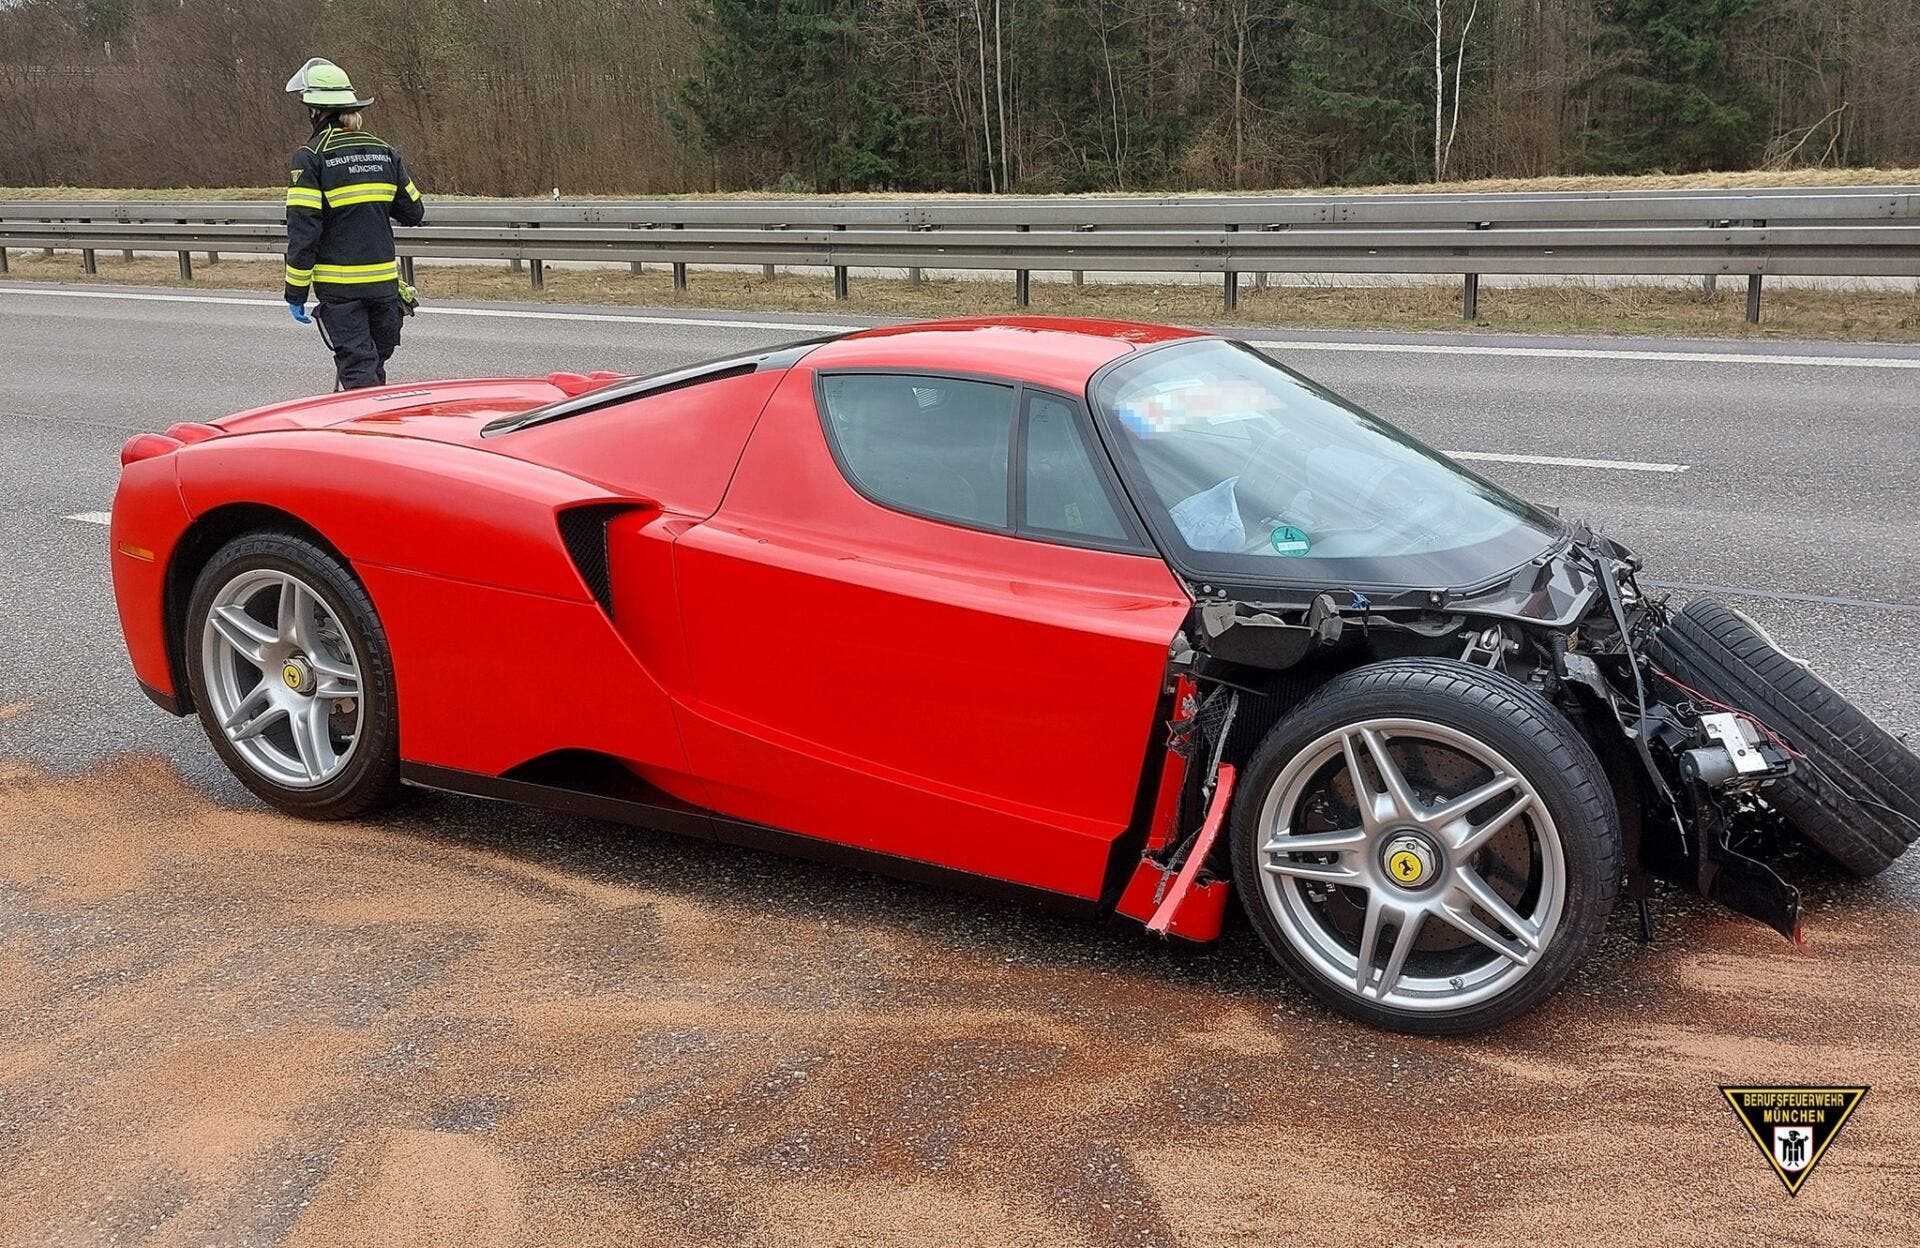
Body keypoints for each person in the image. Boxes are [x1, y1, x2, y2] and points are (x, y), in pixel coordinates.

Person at [281, 58, 425, 390]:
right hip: (385, 288)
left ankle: (370, 436)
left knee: (359, 370)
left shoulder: (311, 157)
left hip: (341, 291)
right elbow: (414, 212)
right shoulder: (384, 151)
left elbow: (304, 231)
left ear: (314, 111)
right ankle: (381, 430)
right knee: (374, 365)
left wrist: (295, 293)